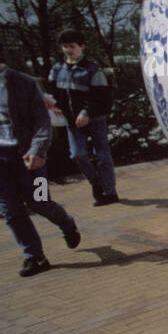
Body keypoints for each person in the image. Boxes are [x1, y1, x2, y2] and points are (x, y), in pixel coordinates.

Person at [0, 35, 81, 276]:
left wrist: (37, 150)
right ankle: (35, 256)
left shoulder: (23, 82)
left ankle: (66, 222)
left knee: (40, 200)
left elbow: (42, 121)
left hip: (29, 155)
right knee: (9, 208)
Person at [47, 30, 118, 205]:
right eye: (65, 46)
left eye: (72, 46)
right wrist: (50, 101)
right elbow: (52, 91)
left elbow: (100, 96)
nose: (68, 50)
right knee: (77, 154)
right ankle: (97, 183)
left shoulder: (92, 70)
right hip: (72, 121)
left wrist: (86, 112)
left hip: (95, 119)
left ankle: (109, 192)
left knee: (102, 155)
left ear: (82, 47)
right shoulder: (57, 69)